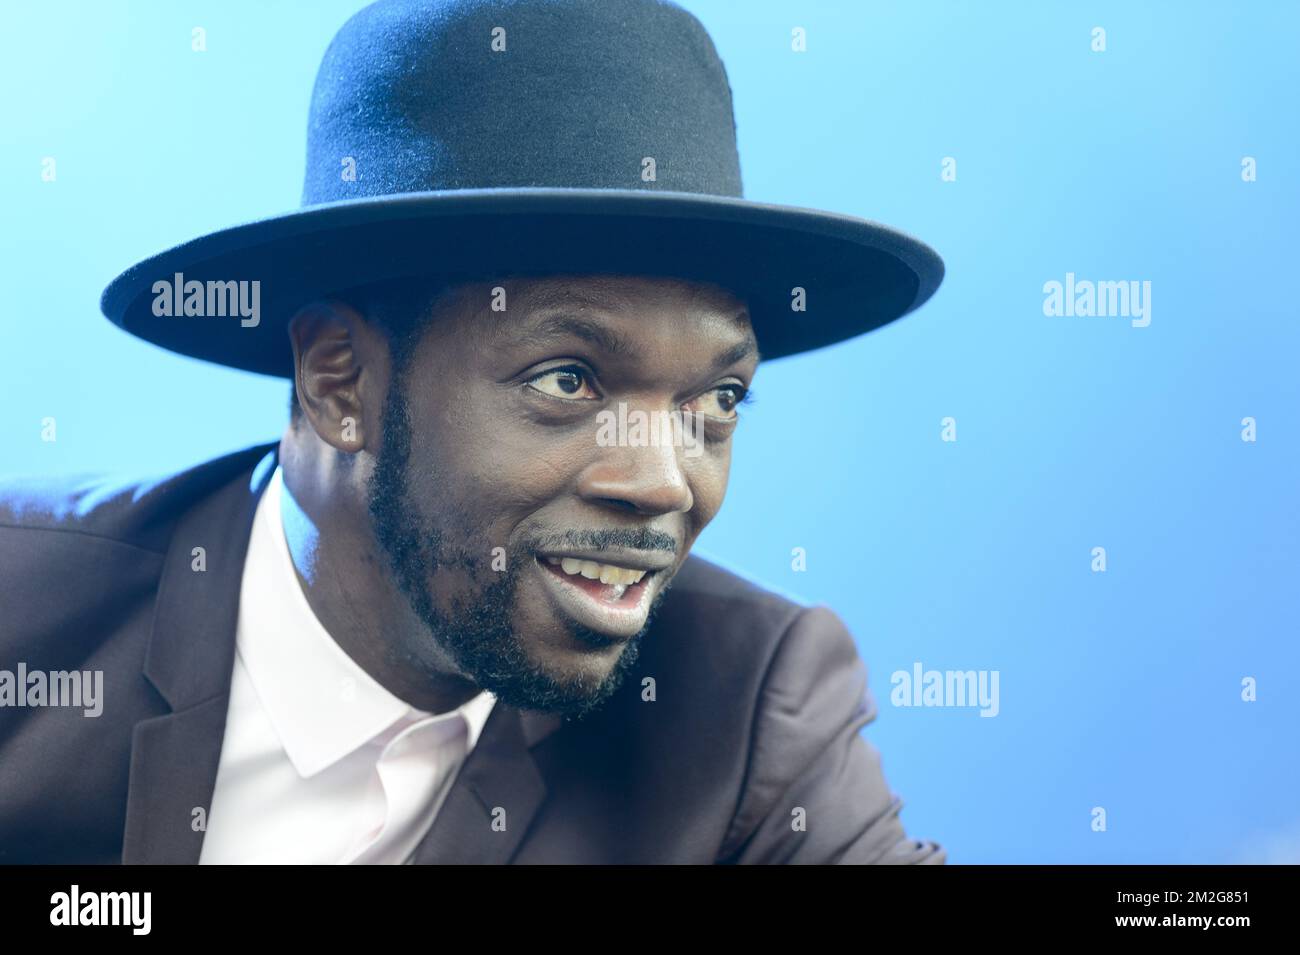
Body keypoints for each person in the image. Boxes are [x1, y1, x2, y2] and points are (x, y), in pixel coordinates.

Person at [0, 0, 946, 864]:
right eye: (570, 379)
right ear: (340, 378)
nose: (664, 484)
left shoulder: (747, 712)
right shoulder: (26, 616)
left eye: (719, 400)